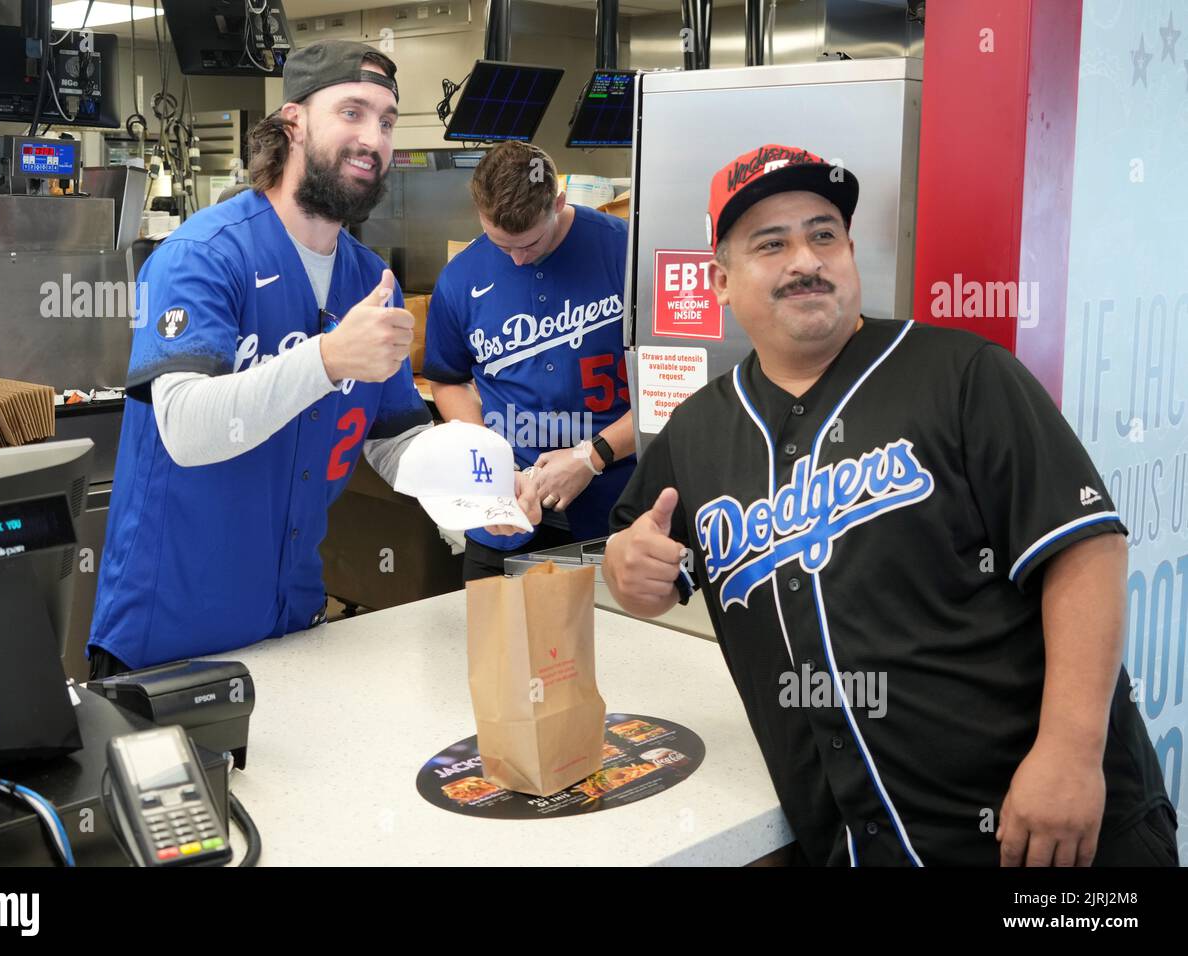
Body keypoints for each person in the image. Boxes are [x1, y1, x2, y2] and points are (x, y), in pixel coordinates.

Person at [603, 144, 1177, 866]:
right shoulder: (697, 432)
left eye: (823, 235)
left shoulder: (964, 374)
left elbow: (1086, 550)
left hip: (1044, 831)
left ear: (849, 253)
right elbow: (639, 560)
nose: (804, 260)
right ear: (719, 282)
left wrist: (1068, 754)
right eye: (770, 244)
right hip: (859, 840)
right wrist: (629, 568)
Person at [89, 40, 498, 676]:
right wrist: (329, 359)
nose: (374, 139)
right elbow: (187, 429)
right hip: (167, 640)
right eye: (353, 113)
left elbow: (393, 440)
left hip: (294, 625)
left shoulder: (367, 278)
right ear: (294, 122)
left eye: (387, 122)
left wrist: (484, 483)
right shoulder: (204, 256)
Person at [423, 142, 636, 580]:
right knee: (496, 643)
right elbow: (448, 379)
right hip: (505, 514)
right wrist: (488, 461)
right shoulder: (462, 277)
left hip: (615, 504)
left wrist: (591, 457)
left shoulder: (627, 252)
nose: (518, 258)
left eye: (531, 243)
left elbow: (676, 386)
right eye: (503, 246)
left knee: (615, 645)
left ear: (559, 202)